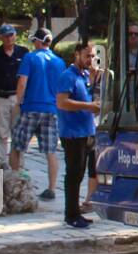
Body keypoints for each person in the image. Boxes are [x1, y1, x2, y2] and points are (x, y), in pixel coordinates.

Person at [11, 29, 66, 200]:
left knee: (17, 146)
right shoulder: (59, 62)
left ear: (37, 41)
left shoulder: (30, 58)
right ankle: (51, 188)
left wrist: (18, 103)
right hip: (52, 109)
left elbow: (22, 82)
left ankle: (14, 182)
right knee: (50, 151)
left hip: (31, 107)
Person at [55, 41, 101, 229]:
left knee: (82, 173)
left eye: (92, 56)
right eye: (86, 56)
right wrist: (88, 106)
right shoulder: (68, 76)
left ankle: (76, 212)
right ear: (76, 55)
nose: (90, 59)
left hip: (86, 131)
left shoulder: (85, 76)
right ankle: (71, 214)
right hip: (72, 133)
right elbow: (62, 102)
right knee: (73, 175)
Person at [0, 24, 27, 162]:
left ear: (15, 35)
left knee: (18, 133)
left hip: (17, 97)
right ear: (0, 37)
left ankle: (18, 165)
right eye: (6, 36)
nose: (9, 38)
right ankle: (0, 162)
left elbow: (27, 76)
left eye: (11, 35)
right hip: (0, 96)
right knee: (2, 133)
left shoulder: (23, 52)